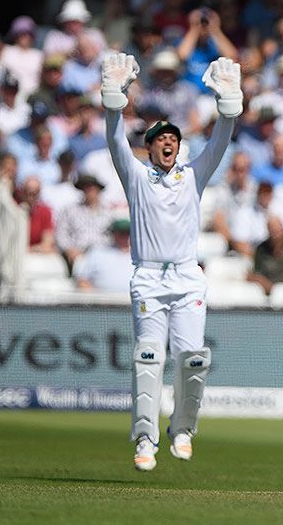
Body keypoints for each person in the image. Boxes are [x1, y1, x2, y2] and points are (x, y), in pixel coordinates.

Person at [102, 52, 242, 471]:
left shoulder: (193, 176)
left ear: (179, 147)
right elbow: (114, 140)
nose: (168, 143)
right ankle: (145, 439)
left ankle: (182, 429)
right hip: (148, 277)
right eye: (161, 139)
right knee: (148, 357)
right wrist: (113, 100)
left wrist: (227, 107)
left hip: (186, 277)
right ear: (148, 147)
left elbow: (220, 141)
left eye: (174, 139)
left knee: (192, 359)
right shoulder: (136, 177)